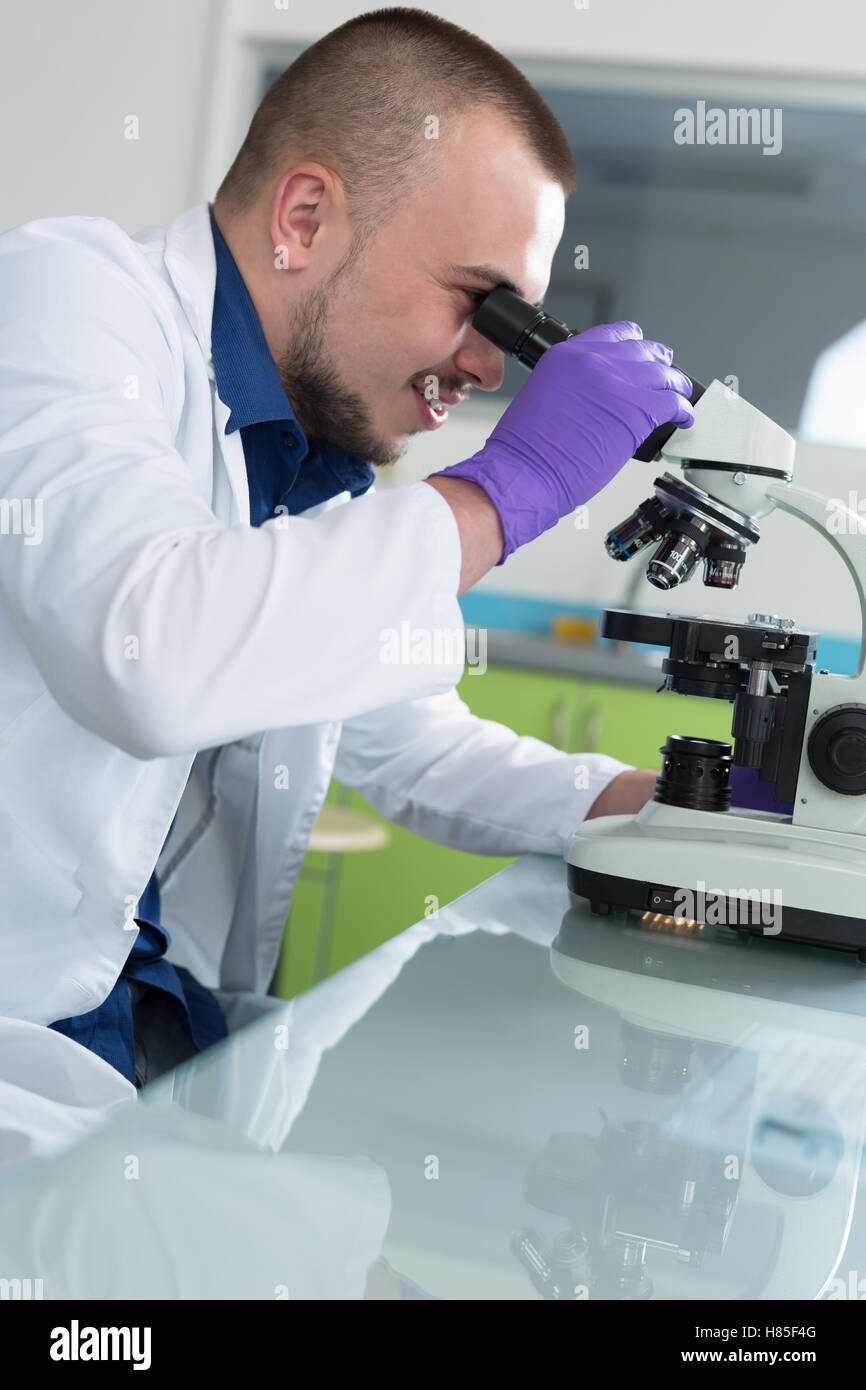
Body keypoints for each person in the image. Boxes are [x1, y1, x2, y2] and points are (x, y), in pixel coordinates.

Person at [0, 7, 693, 1141]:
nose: (485, 362)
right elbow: (146, 655)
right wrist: (502, 490)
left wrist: (658, 814)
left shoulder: (310, 459)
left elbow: (408, 737)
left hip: (154, 1040)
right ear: (306, 216)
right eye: (481, 305)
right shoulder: (61, 301)